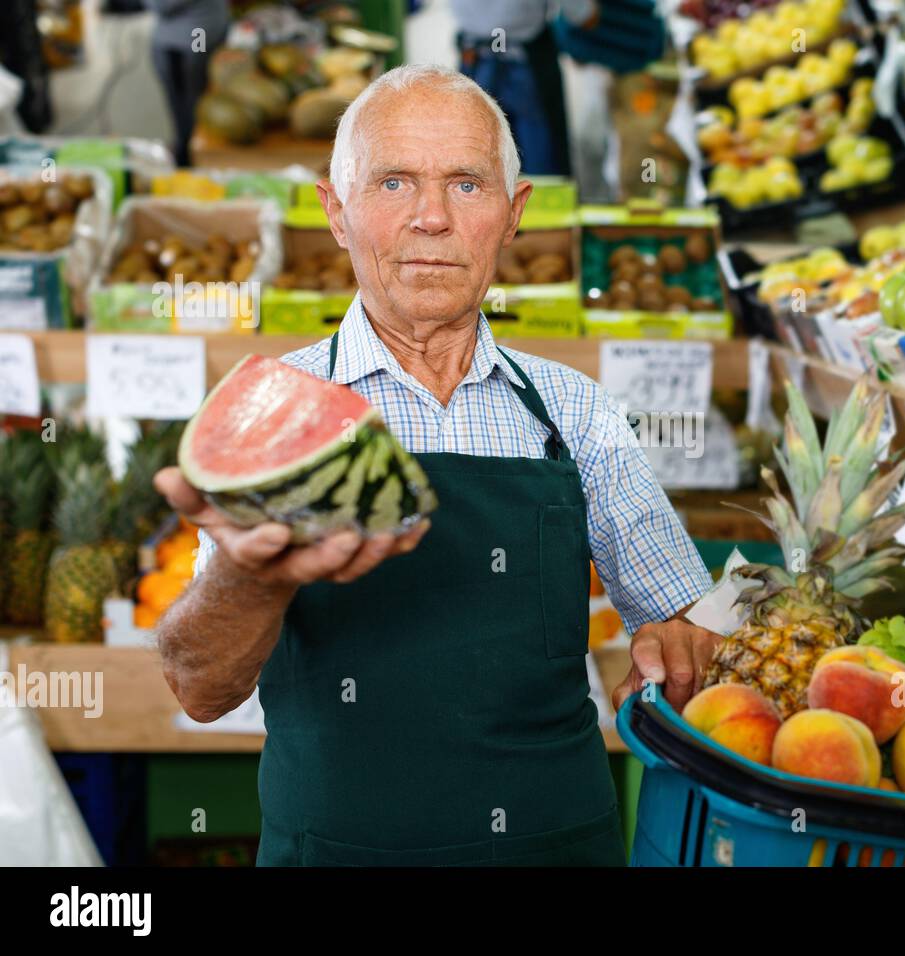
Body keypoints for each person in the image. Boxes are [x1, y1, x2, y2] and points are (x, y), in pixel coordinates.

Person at [152, 64, 720, 867]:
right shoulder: (279, 412)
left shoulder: (575, 410)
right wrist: (251, 577)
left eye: (466, 183)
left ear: (513, 214)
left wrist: (680, 648)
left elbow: (681, 616)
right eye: (391, 182)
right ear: (335, 213)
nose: (430, 218)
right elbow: (199, 691)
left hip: (555, 849)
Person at [449, 0, 599, 175]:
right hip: (527, 66)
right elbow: (584, 16)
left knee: (475, 161)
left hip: (475, 61)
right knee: (542, 166)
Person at [144, 0, 230, 166]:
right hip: (199, 34)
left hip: (191, 39)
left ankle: (188, 154)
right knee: (192, 98)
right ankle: (188, 147)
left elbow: (160, 6)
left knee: (189, 103)